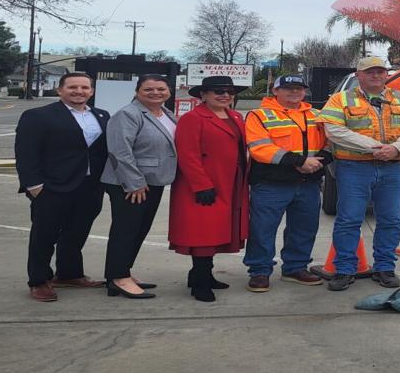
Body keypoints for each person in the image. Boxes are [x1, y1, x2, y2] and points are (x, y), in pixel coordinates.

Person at [318, 55, 400, 291]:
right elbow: (334, 131)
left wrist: (397, 148)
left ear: (387, 75)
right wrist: (374, 148)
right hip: (353, 168)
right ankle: (345, 270)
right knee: (349, 220)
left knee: (391, 220)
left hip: (393, 168)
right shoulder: (340, 99)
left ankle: (385, 269)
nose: (376, 75)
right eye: (370, 72)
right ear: (358, 75)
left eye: (380, 71)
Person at [13, 72, 110, 301]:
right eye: (73, 87)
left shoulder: (102, 115)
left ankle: (69, 274)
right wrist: (34, 185)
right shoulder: (38, 115)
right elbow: (26, 153)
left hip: (90, 186)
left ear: (92, 91)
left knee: (77, 233)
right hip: (52, 186)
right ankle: (39, 280)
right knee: (44, 236)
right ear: (60, 90)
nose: (79, 91)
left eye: (85, 88)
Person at [242, 74, 332, 292]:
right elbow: (260, 148)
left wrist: (318, 162)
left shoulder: (317, 115)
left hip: (308, 182)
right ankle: (260, 271)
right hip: (272, 183)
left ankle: (295, 268)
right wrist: (299, 162)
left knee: (304, 228)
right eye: (288, 88)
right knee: (262, 229)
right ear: (275, 91)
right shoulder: (258, 115)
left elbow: (331, 142)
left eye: (299, 88)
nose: (294, 92)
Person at [167, 75, 249, 302]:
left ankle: (202, 275)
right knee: (204, 232)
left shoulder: (235, 116)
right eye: (218, 91)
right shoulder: (192, 118)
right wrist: (201, 184)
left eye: (229, 92)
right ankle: (200, 281)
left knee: (219, 231)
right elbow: (188, 154)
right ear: (203, 95)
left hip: (231, 181)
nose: (225, 95)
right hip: (205, 183)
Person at [98, 74, 177, 299]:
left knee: (139, 229)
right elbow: (119, 150)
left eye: (161, 89)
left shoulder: (167, 114)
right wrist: (134, 183)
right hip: (130, 184)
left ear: (169, 91)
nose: (155, 93)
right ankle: (118, 277)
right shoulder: (128, 114)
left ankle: (121, 272)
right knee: (126, 230)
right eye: (148, 89)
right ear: (137, 91)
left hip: (154, 181)